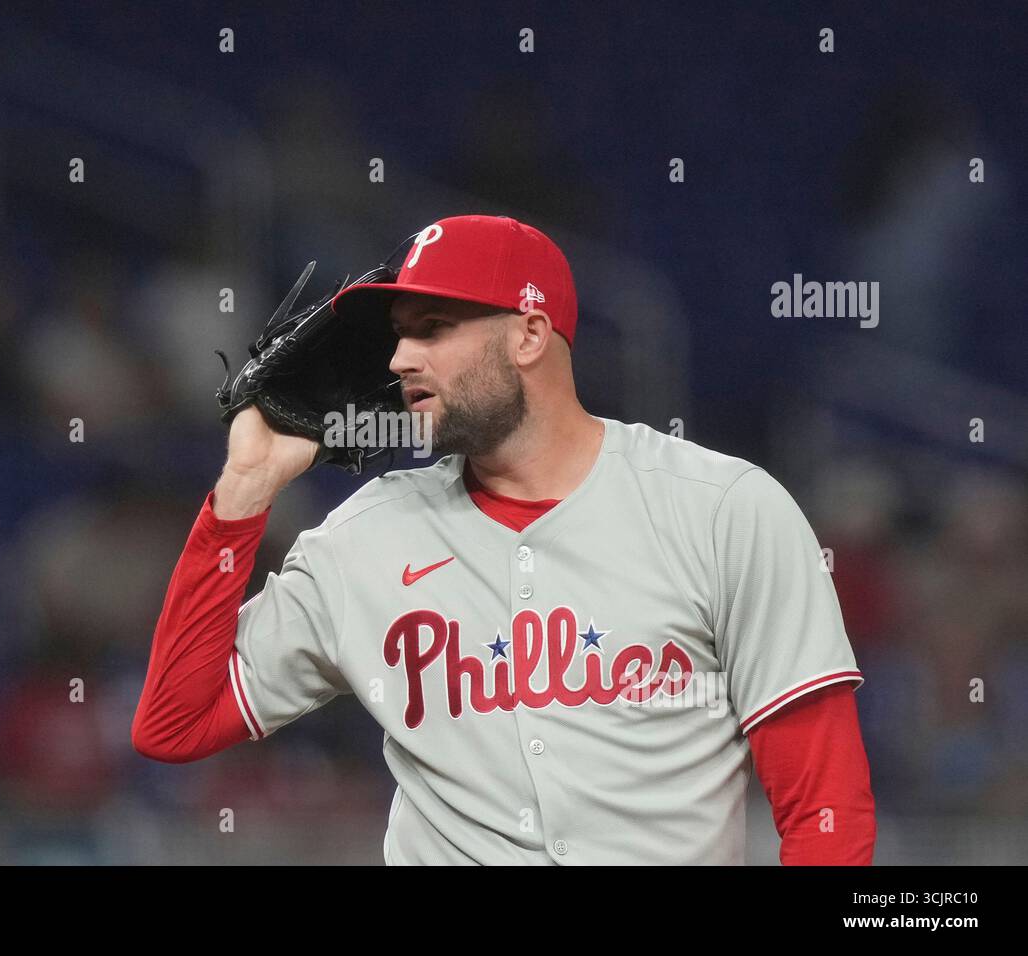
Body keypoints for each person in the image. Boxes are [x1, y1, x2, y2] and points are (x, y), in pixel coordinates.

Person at [132, 214, 876, 865]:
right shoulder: (364, 539)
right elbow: (175, 722)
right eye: (399, 335)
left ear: (528, 334)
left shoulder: (722, 511)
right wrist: (244, 493)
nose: (398, 360)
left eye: (432, 328)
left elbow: (824, 812)